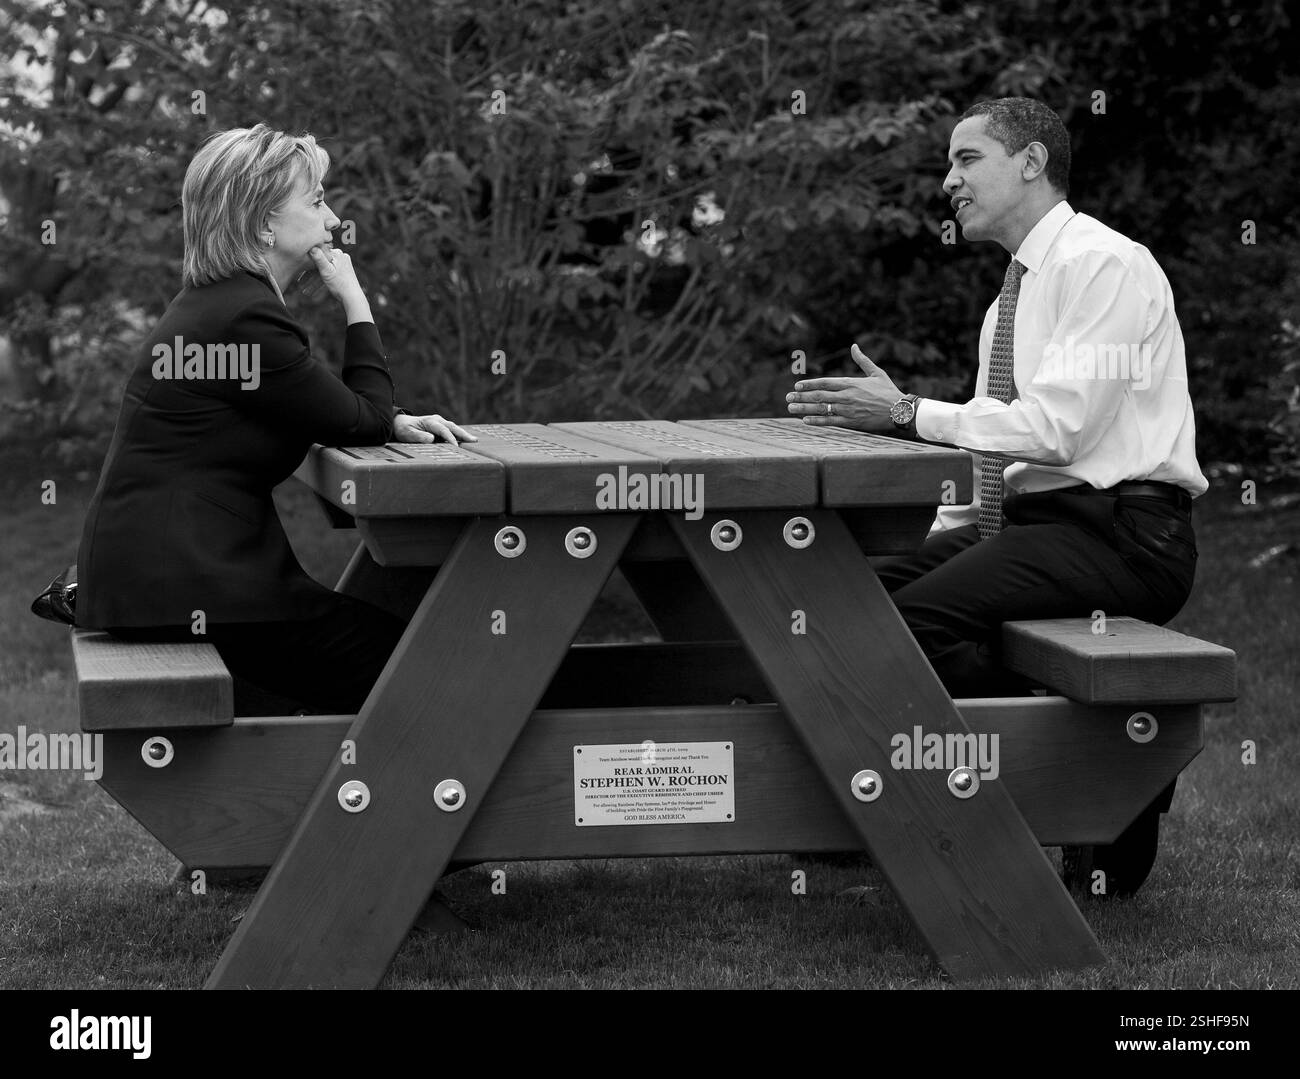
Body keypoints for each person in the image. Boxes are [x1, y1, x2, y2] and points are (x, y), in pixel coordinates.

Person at [785, 98, 1207, 894]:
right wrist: (933, 537)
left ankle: (1106, 765)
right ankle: (1085, 752)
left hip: (1124, 534)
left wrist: (908, 411)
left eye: (966, 159)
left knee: (914, 624)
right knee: (851, 601)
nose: (948, 181)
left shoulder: (1104, 265)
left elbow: (1059, 431)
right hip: (1038, 528)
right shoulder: (1008, 301)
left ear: (1033, 162)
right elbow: (994, 450)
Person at [76, 124, 474, 716]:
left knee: (407, 656)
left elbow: (342, 413)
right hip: (192, 591)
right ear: (263, 222)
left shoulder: (221, 306)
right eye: (316, 201)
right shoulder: (244, 318)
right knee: (426, 671)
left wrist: (382, 419)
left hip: (161, 584)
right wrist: (355, 301)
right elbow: (362, 420)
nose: (334, 218)